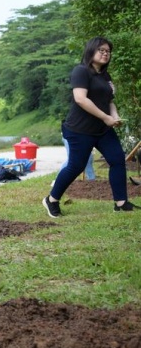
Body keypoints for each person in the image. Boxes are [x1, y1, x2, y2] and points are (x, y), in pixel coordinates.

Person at [43, 37, 135, 217]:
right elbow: (80, 99)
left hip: (102, 129)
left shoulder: (105, 76)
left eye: (108, 51)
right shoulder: (81, 71)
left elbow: (109, 101)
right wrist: (106, 117)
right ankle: (51, 199)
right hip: (79, 130)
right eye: (101, 50)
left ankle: (121, 202)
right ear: (91, 51)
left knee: (117, 159)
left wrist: (114, 116)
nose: (105, 53)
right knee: (76, 166)